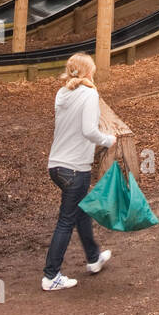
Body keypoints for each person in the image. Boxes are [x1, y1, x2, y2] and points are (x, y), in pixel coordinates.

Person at [43, 52, 116, 291]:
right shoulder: (89, 94)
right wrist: (108, 140)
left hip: (56, 165)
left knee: (80, 211)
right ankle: (51, 276)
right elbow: (88, 130)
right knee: (66, 221)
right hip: (75, 168)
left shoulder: (62, 93)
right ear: (88, 72)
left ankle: (94, 258)